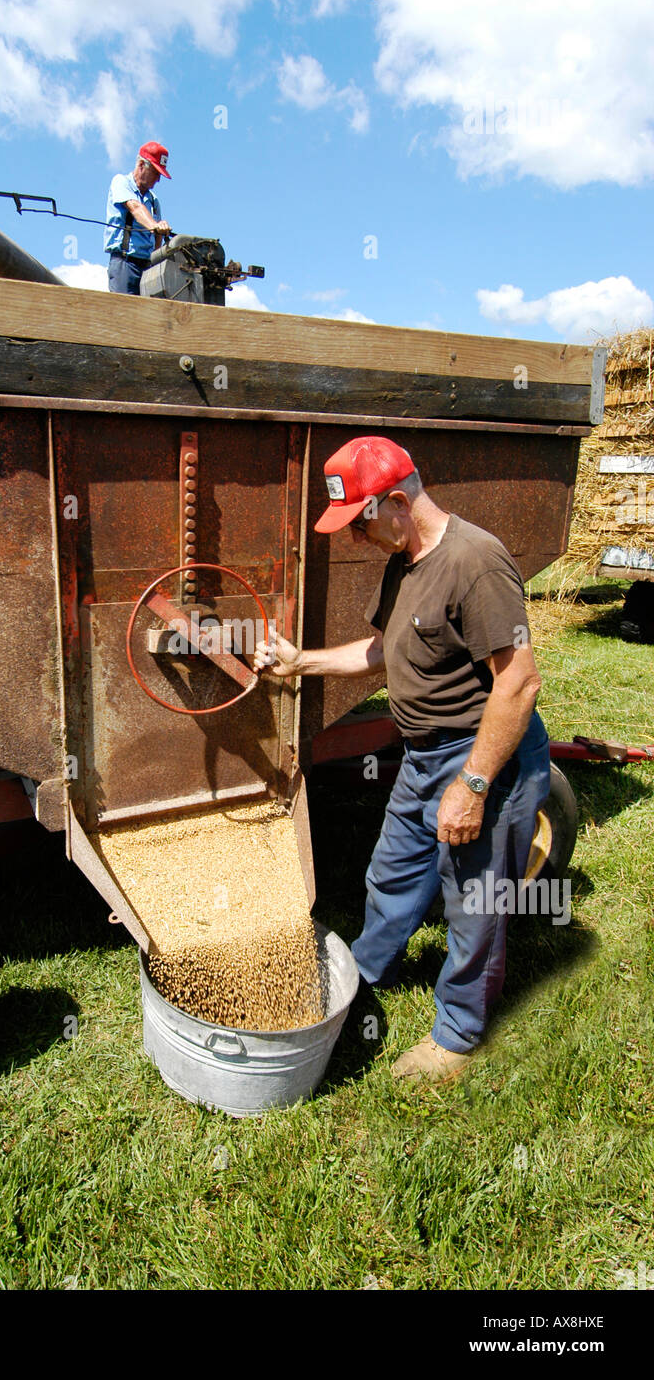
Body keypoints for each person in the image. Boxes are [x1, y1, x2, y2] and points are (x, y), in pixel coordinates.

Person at [253, 435, 551, 1084]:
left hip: (479, 758)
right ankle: (364, 976)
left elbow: (519, 682)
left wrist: (472, 785)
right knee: (390, 873)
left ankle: (458, 1035)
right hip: (422, 756)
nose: (355, 539)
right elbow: (382, 652)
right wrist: (300, 662)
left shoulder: (477, 562)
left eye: (359, 523)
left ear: (395, 502)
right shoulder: (406, 560)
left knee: (474, 904)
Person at [104, 142, 173, 295]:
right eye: (155, 172)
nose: (158, 179)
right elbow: (135, 208)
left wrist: (155, 263)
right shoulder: (121, 182)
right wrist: (154, 225)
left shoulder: (154, 201)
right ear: (142, 164)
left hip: (147, 268)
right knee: (124, 313)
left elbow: (157, 239)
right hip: (125, 264)